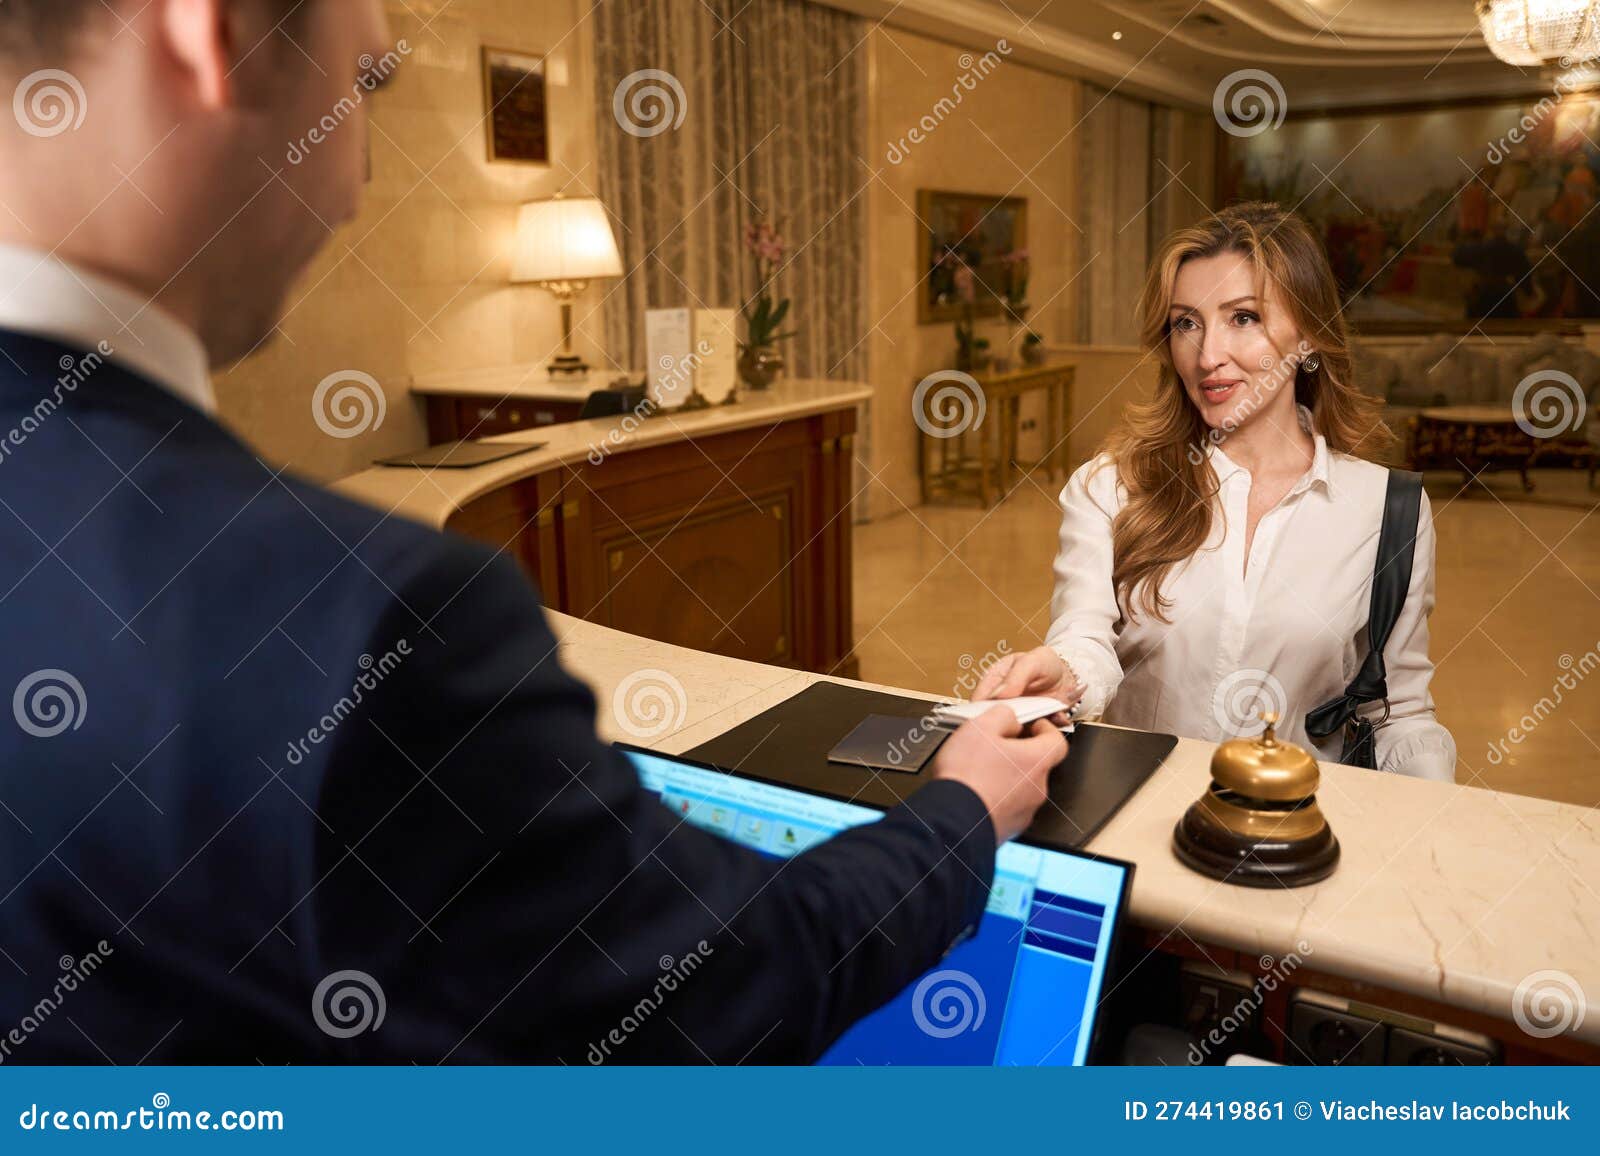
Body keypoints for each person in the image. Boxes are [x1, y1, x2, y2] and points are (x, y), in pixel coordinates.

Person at [0, 0, 1065, 1064]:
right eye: (365, 85)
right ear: (215, 34)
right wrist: (962, 810)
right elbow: (721, 987)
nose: (357, 173)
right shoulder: (375, 616)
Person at [975, 202, 1455, 781]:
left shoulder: (1388, 509)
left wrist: (1442, 804)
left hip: (1296, 820)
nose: (1207, 356)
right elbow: (1085, 641)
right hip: (1139, 806)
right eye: (1186, 323)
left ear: (1308, 335)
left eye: (1243, 318)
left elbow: (1396, 709)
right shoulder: (1111, 487)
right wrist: (1063, 675)